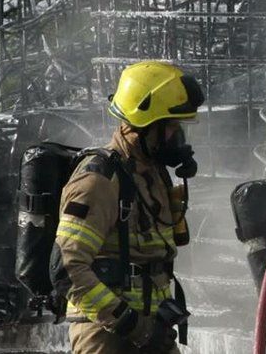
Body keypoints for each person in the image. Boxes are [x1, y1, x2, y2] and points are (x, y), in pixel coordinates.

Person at [54, 61, 204, 353]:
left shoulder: (152, 174)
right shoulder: (99, 179)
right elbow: (67, 268)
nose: (179, 137)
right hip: (107, 334)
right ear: (147, 125)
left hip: (153, 331)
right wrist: (131, 324)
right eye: (172, 127)